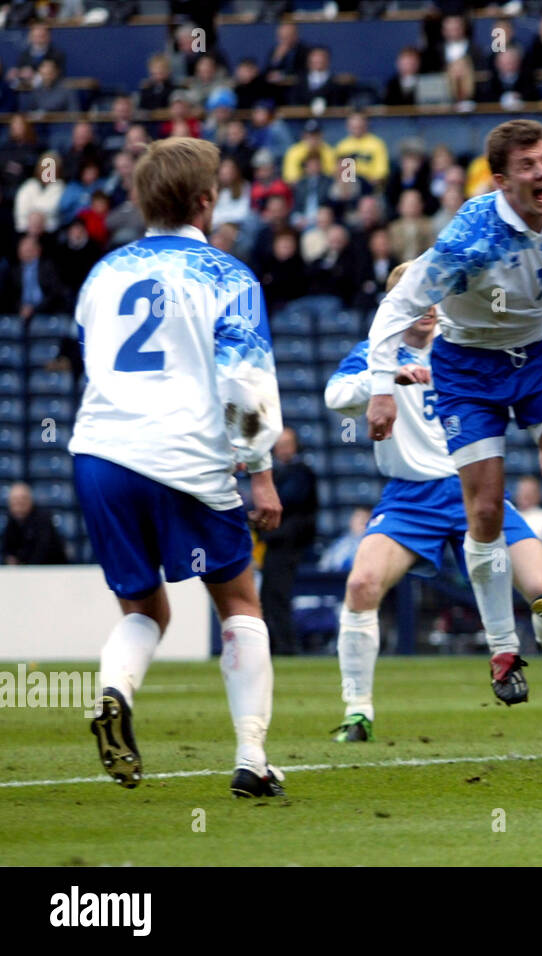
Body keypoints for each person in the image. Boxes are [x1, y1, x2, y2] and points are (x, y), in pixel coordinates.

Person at [364, 120, 542, 721]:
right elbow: (398, 304)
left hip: (538, 353)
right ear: (500, 180)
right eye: (528, 165)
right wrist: (380, 390)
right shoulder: (468, 240)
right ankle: (503, 650)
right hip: (468, 367)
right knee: (483, 508)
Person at [68, 137, 285, 797]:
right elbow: (244, 380)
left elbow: (87, 355)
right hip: (186, 451)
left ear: (140, 199)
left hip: (101, 452)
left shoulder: (101, 276)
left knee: (144, 609)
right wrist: (260, 469)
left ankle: (113, 690)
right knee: (238, 600)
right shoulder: (227, 275)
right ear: (205, 199)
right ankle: (251, 758)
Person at [328, 263, 542, 740]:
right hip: (410, 498)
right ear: (395, 307)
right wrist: (386, 379)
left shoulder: (462, 347)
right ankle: (358, 711)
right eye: (416, 300)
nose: (427, 308)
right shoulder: (375, 355)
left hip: (474, 489)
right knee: (362, 585)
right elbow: (337, 396)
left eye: (433, 297)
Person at [258, 427, 317, 656]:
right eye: (279, 444)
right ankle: (274, 645)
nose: (282, 449)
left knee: (278, 595)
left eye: (287, 444)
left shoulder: (301, 473)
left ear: (295, 446)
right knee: (268, 596)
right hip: (273, 542)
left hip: (288, 543)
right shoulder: (277, 472)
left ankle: (287, 647)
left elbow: (287, 500)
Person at [2, 481, 67, 564]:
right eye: (15, 500)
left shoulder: (43, 519)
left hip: (52, 570)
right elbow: (8, 552)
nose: (19, 503)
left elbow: (42, 553)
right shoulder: (12, 521)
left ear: (30, 500)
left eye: (23, 499)